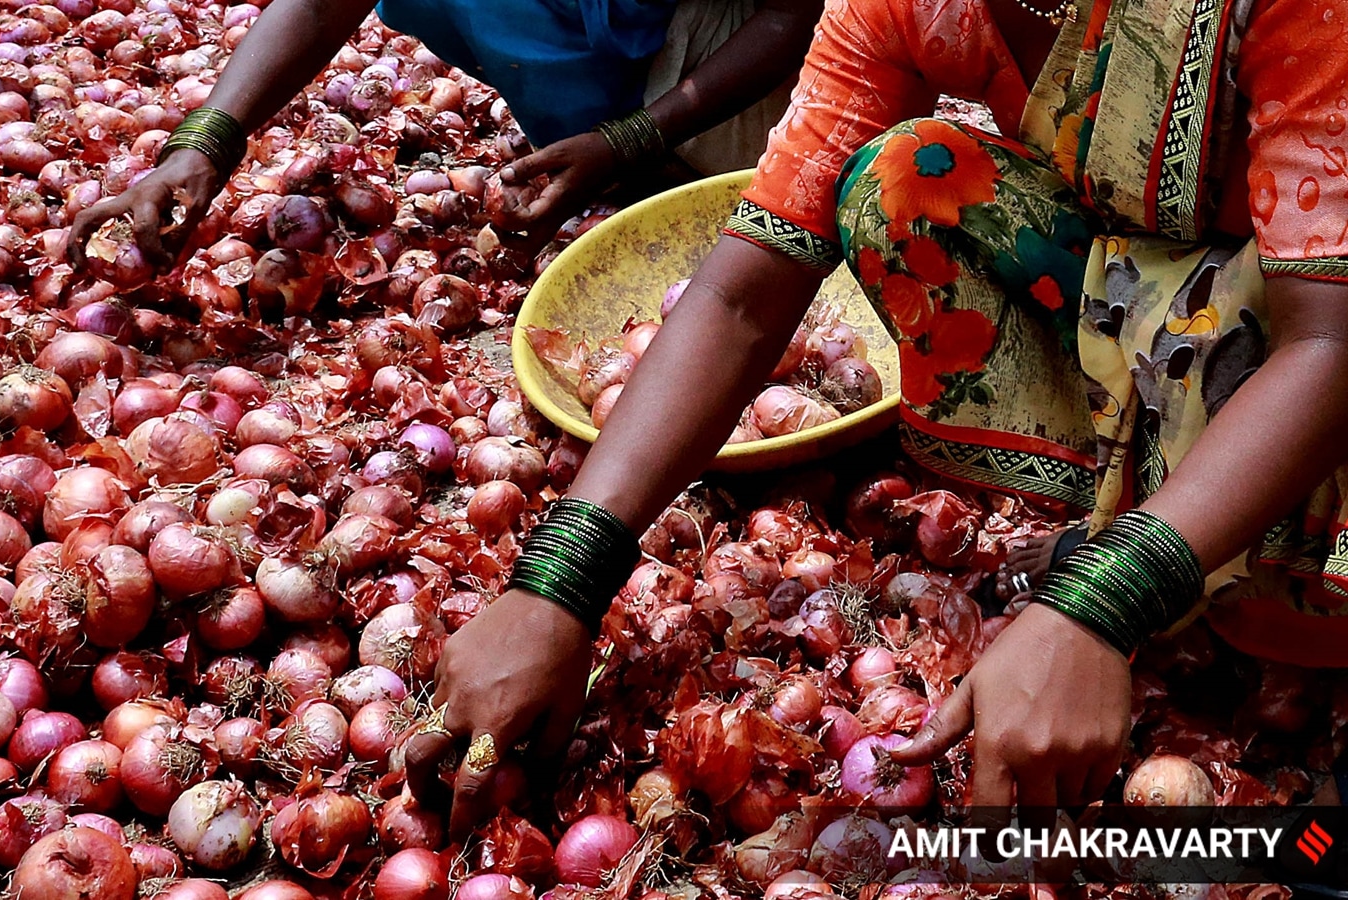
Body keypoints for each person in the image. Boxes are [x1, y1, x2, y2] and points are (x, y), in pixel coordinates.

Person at [402, 0, 1348, 841]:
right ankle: (1159, 548)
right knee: (909, 184)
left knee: (1264, 313)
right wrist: (558, 581)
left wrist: (1101, 609)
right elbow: (744, 292)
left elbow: (1329, 345)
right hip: (1188, 293)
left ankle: (1255, 600)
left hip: (1316, 317)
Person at [65, 0, 819, 267]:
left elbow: (791, 18)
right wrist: (202, 144)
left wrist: (629, 140)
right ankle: (604, 140)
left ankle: (645, 154)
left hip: (761, 64)